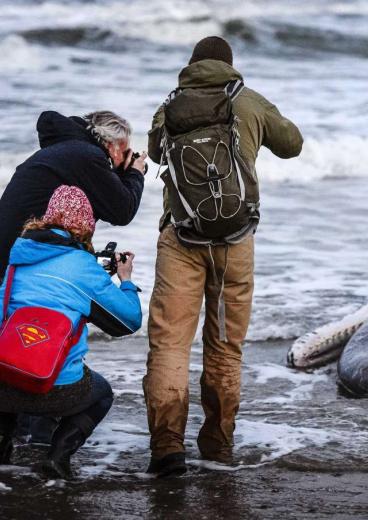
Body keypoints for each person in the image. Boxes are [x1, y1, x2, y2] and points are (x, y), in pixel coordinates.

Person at [144, 36, 303, 477]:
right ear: (229, 66)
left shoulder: (170, 106)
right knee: (225, 347)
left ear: (192, 65)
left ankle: (166, 447)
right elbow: (293, 144)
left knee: (170, 345)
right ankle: (217, 445)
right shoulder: (247, 101)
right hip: (235, 239)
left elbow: (157, 151)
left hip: (181, 238)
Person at [0, 186, 142, 479]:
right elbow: (129, 320)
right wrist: (125, 281)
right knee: (101, 392)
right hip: (54, 390)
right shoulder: (82, 267)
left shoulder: (18, 257)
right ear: (86, 225)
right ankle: (57, 458)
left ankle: (3, 448)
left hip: (5, 385)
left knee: (14, 360)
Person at [0, 110, 147, 280]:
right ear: (113, 146)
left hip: (19, 255)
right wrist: (135, 173)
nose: (124, 159)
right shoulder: (88, 157)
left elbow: (61, 241)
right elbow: (122, 211)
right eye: (125, 152)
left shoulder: (67, 152)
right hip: (19, 265)